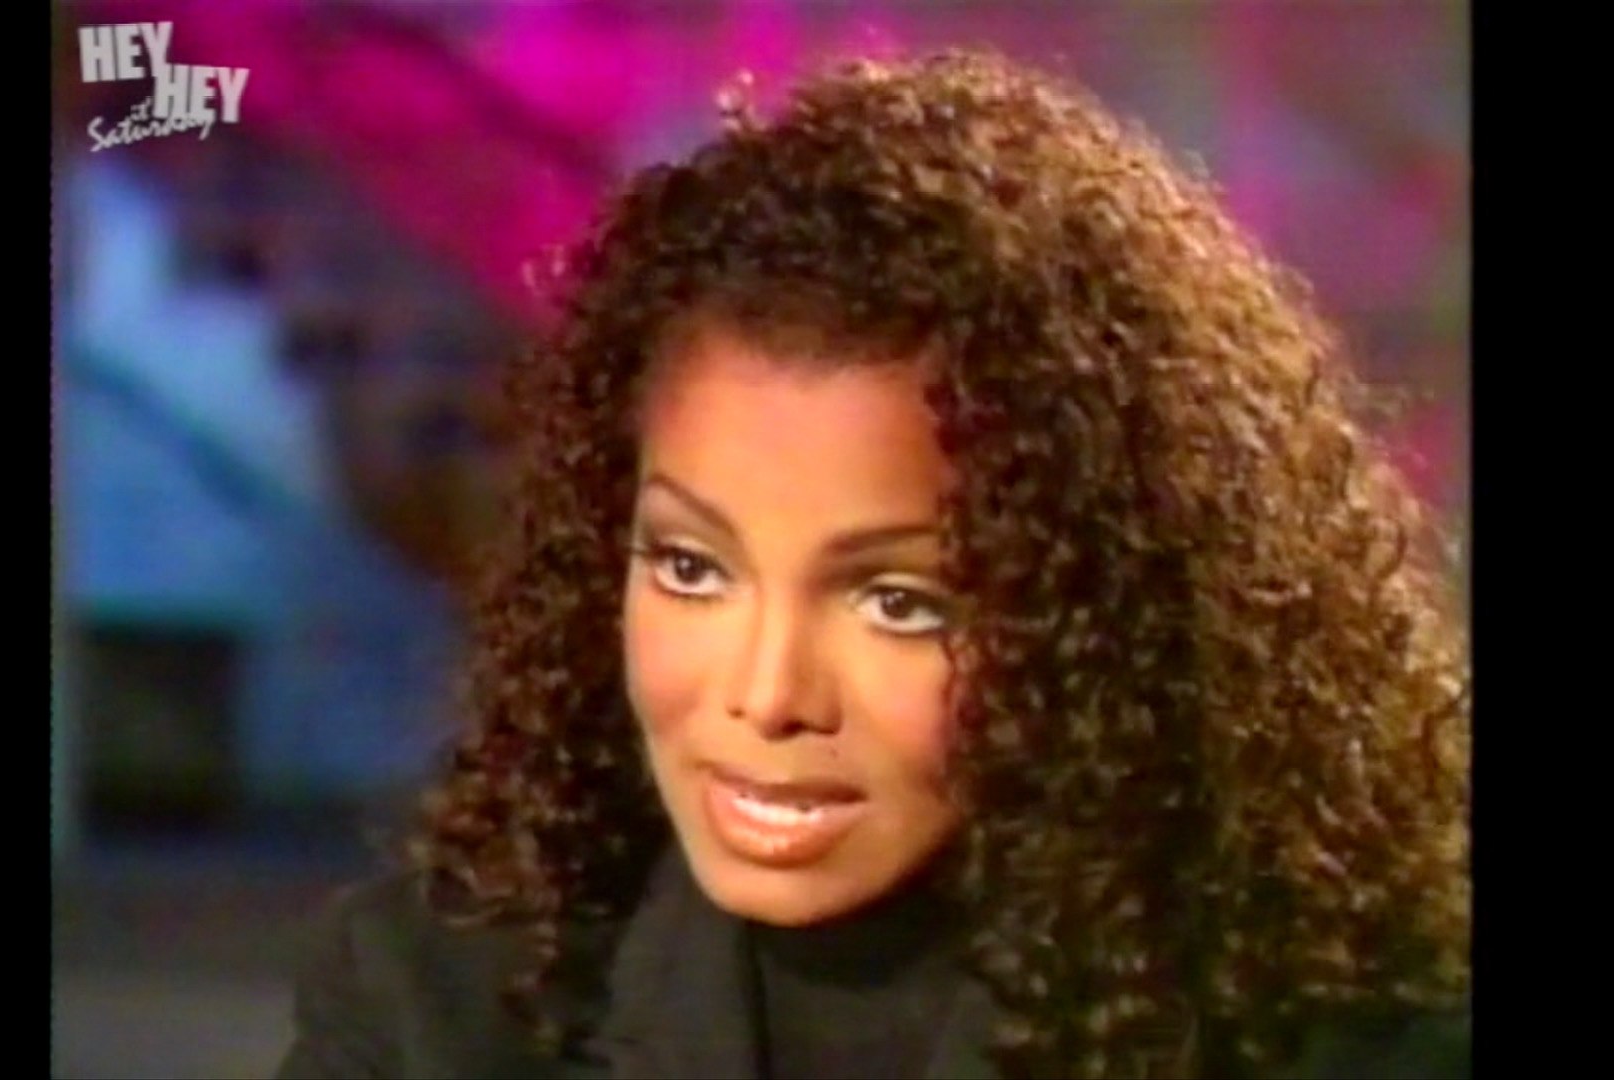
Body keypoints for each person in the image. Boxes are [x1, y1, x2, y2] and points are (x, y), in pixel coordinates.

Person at [276, 49, 1470, 1080]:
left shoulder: (1342, 1037)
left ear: (1102, 602)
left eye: (898, 601)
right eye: (690, 568)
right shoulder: (437, 1005)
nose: (766, 696)